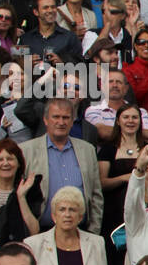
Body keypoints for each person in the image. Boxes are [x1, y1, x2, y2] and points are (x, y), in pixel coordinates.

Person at [20, 98, 104, 235]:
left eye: (66, 118)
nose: (61, 122)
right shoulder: (26, 151)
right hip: (39, 232)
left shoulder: (87, 150)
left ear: (72, 121)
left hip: (81, 233)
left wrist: (93, 231)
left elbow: (96, 195)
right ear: (46, 120)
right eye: (56, 117)